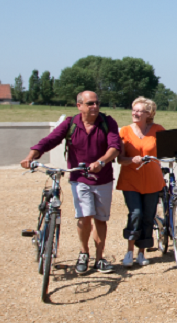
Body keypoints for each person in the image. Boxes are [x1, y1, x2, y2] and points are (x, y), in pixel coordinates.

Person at [20, 90, 122, 274]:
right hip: (79, 178)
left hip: (103, 178)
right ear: (79, 106)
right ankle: (84, 253)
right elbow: (49, 141)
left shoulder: (107, 122)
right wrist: (31, 156)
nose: (95, 106)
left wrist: (101, 162)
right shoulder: (70, 123)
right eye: (90, 103)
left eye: (97, 103)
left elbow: (115, 147)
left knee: (100, 219)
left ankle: (99, 258)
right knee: (84, 216)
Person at [115, 96, 165, 268]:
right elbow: (120, 159)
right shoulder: (125, 131)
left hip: (152, 181)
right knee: (135, 213)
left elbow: (173, 145)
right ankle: (129, 251)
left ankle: (141, 252)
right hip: (131, 180)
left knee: (148, 216)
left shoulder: (158, 129)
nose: (135, 113)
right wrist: (131, 160)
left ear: (148, 114)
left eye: (139, 111)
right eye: (134, 110)